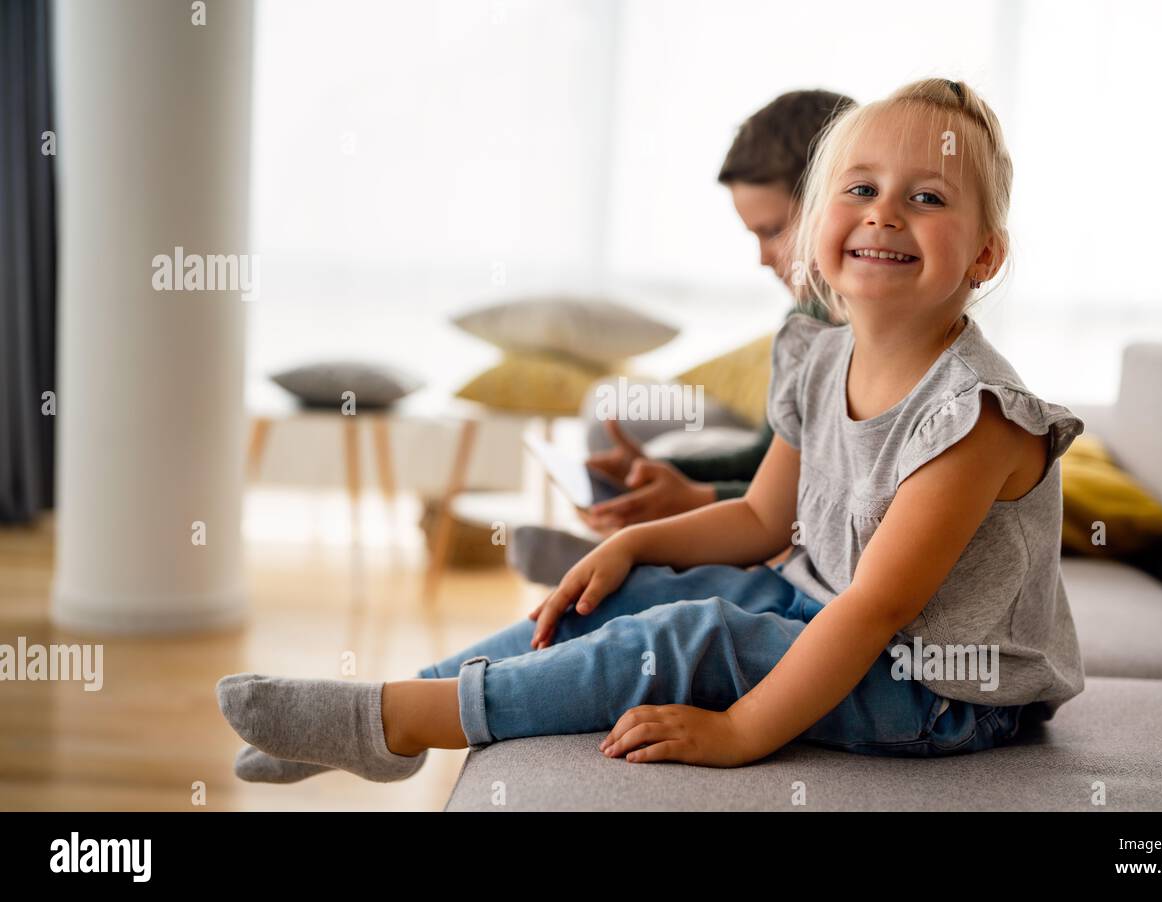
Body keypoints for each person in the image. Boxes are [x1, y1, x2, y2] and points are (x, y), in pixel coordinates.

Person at [218, 77, 1086, 781]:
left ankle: (401, 724)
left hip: (939, 693)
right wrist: (635, 546)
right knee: (632, 596)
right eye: (859, 188)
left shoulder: (971, 417)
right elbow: (760, 521)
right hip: (823, 608)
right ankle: (395, 708)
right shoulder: (822, 355)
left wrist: (743, 730)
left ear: (983, 257)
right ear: (821, 216)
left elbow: (873, 610)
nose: (883, 212)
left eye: (926, 197)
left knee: (690, 636)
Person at [509, 91, 853, 584]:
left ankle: (643, 570)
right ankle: (635, 563)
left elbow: (809, 502)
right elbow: (767, 460)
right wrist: (658, 470)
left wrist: (691, 497)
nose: (762, 258)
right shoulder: (804, 322)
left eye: (772, 230)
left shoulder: (871, 338)